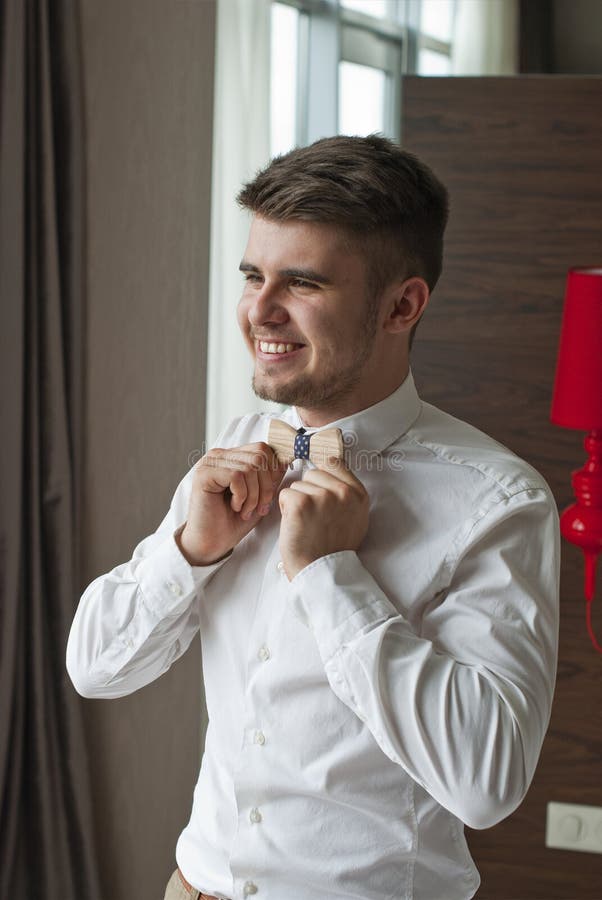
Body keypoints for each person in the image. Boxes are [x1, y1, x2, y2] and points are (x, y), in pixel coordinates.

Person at [66, 134, 560, 900]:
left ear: (402, 305)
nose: (260, 311)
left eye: (301, 282)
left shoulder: (499, 501)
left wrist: (332, 576)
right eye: (252, 276)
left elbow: (486, 783)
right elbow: (95, 669)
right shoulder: (236, 448)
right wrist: (192, 549)